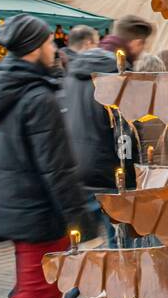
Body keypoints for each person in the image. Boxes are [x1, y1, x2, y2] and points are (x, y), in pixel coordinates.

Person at [0, 15, 88, 298]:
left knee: (39, 289)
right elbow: (56, 167)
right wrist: (78, 217)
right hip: (38, 210)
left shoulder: (7, 87)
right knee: (38, 290)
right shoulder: (37, 96)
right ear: (34, 48)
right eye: (49, 42)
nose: (54, 47)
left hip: (17, 205)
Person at [60, 14, 152, 243]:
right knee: (123, 244)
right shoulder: (117, 74)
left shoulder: (74, 70)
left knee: (86, 245)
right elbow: (124, 131)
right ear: (135, 43)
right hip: (110, 174)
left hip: (77, 169)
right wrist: (131, 179)